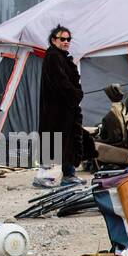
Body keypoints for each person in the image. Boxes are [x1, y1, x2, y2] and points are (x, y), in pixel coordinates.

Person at [38, 25, 86, 186]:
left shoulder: (62, 57)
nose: (66, 42)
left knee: (68, 143)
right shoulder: (53, 57)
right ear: (54, 40)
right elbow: (61, 82)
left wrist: (74, 96)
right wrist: (75, 93)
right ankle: (44, 177)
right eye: (62, 39)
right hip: (55, 111)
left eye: (68, 39)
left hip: (66, 110)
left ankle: (68, 175)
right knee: (52, 142)